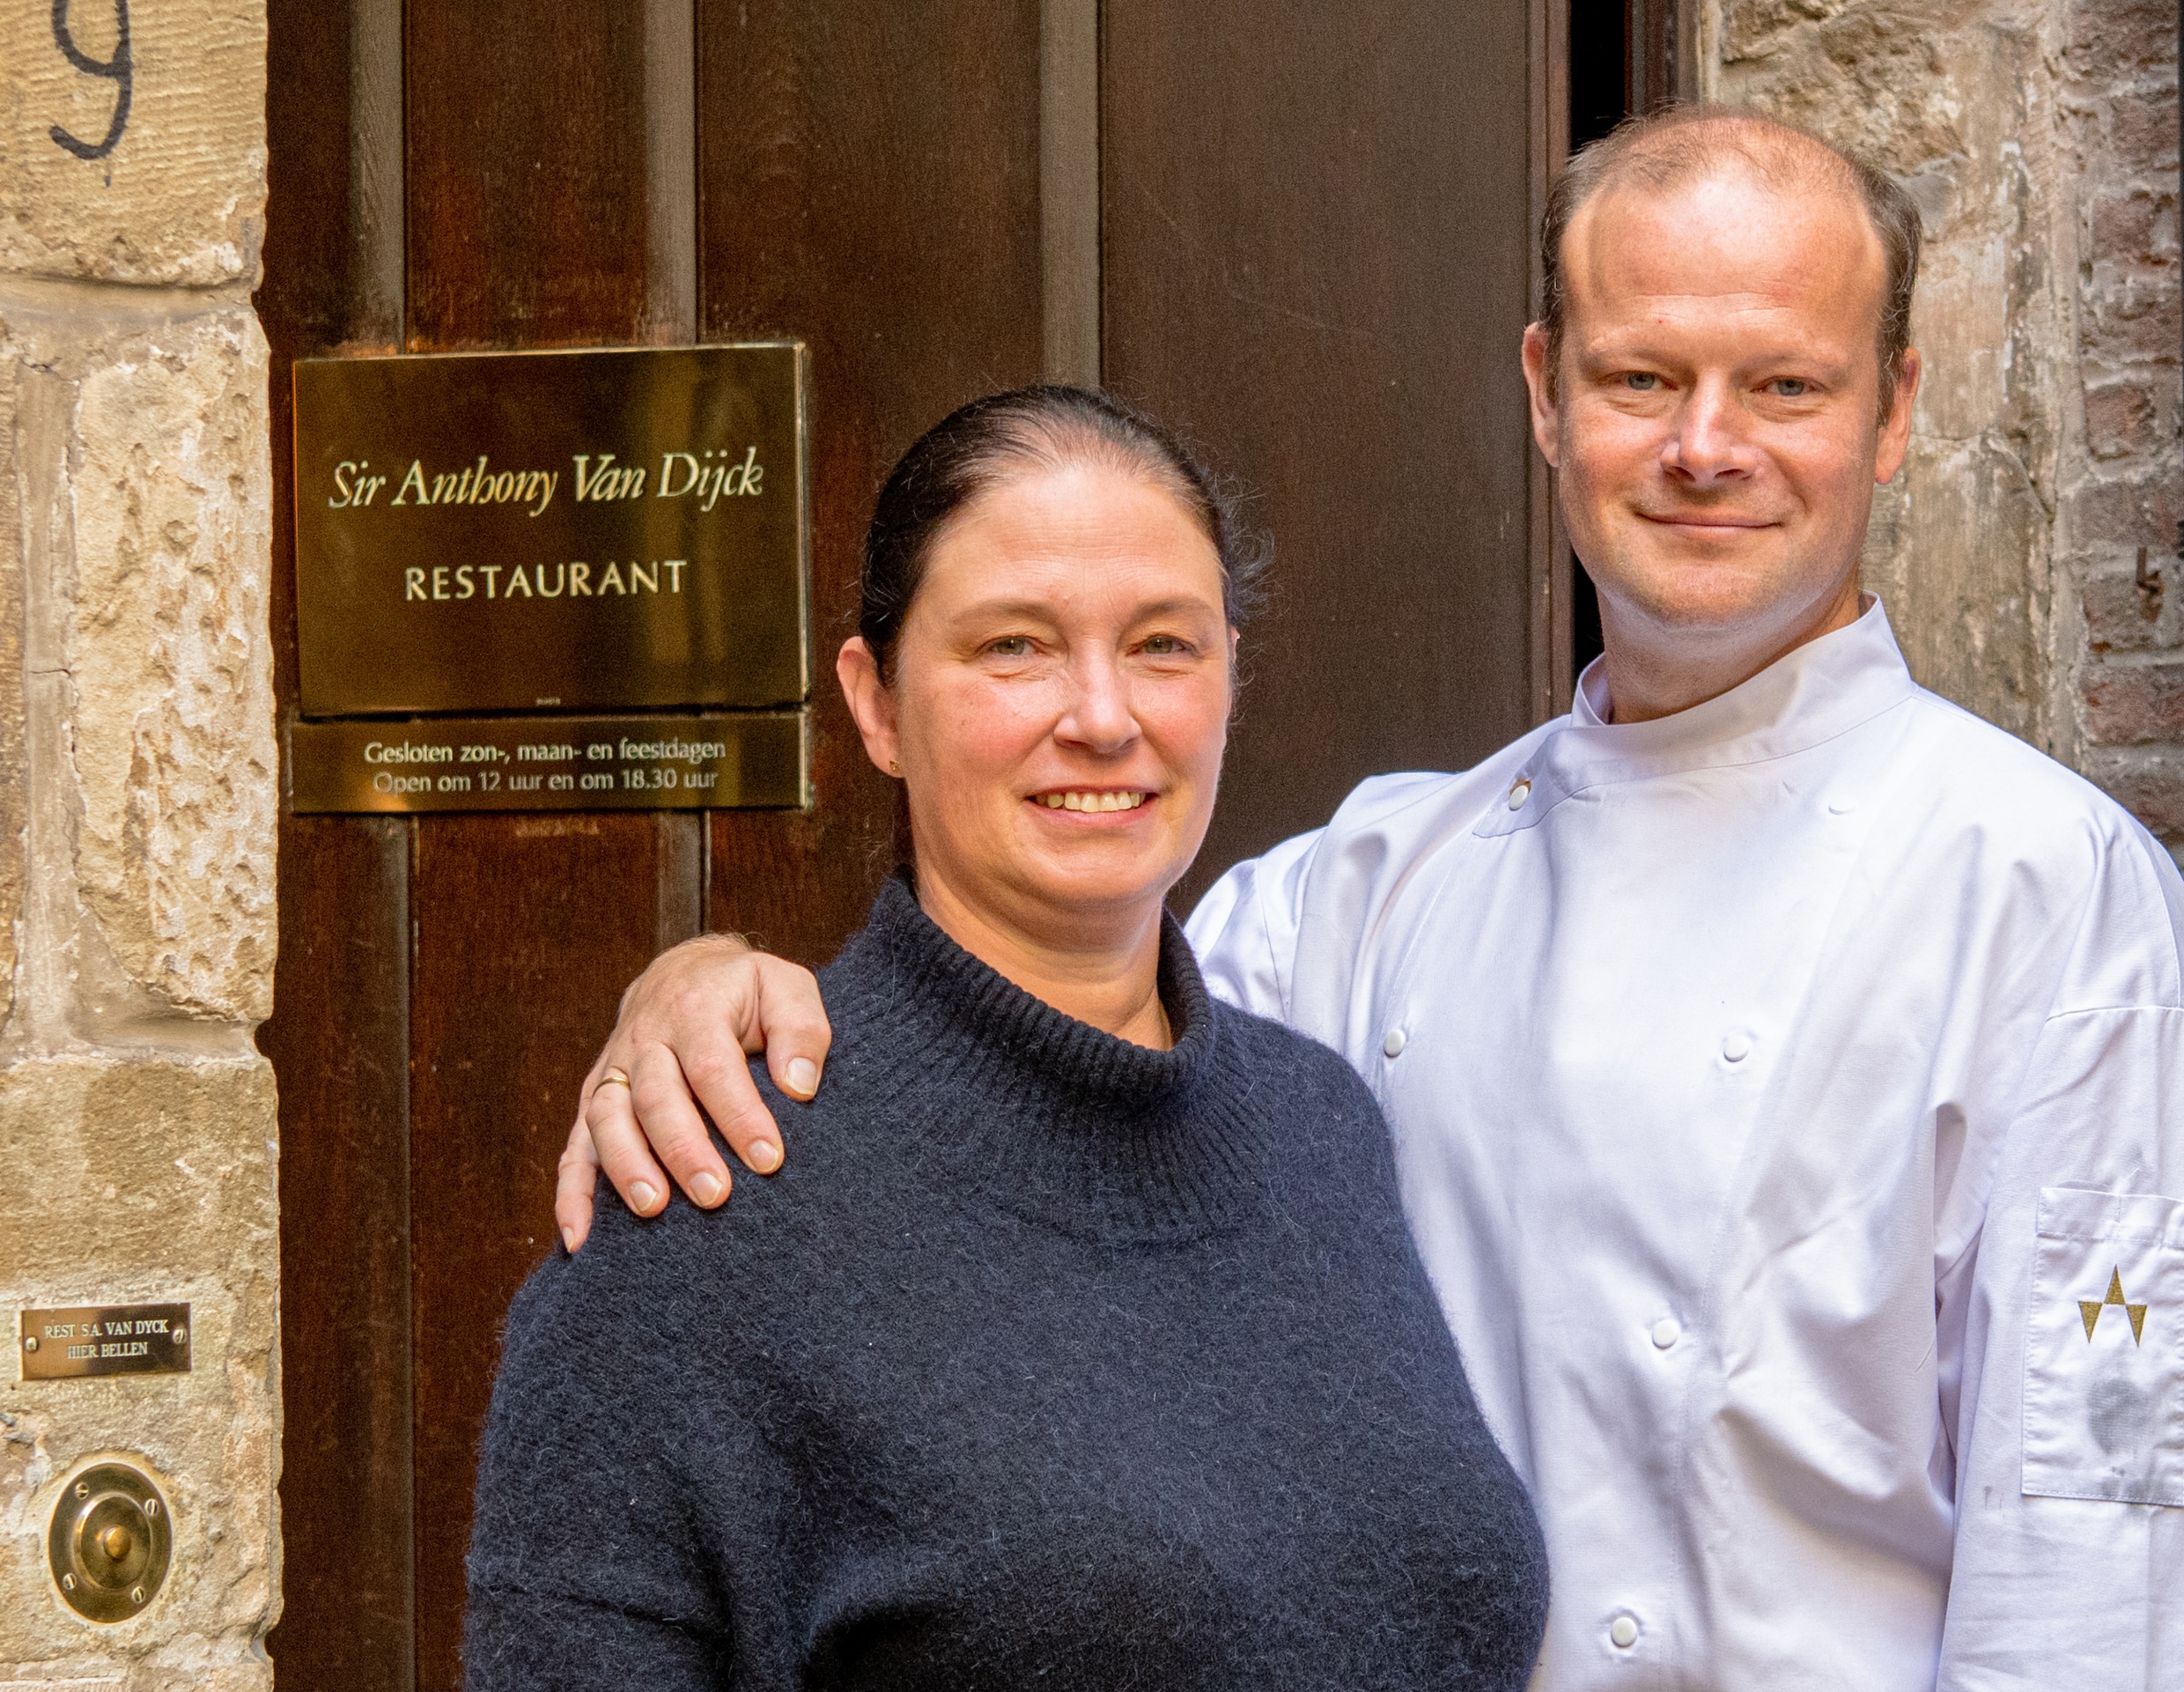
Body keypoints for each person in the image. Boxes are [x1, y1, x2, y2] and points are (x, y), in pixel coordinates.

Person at [554, 108, 2184, 1687]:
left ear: (1893, 410)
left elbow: (2097, 1536)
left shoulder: (2048, 887)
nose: (1705, 445)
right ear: (1548, 395)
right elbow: (1033, 1002)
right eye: (1640, 378)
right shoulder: (1378, 883)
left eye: (1785, 385)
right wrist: (708, 977)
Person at [465, 387, 1550, 1689]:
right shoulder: (706, 1191)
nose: (1102, 714)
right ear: (875, 704)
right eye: (1016, 647)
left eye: (1163, 644)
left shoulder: (1322, 1125)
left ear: (1230, 679)